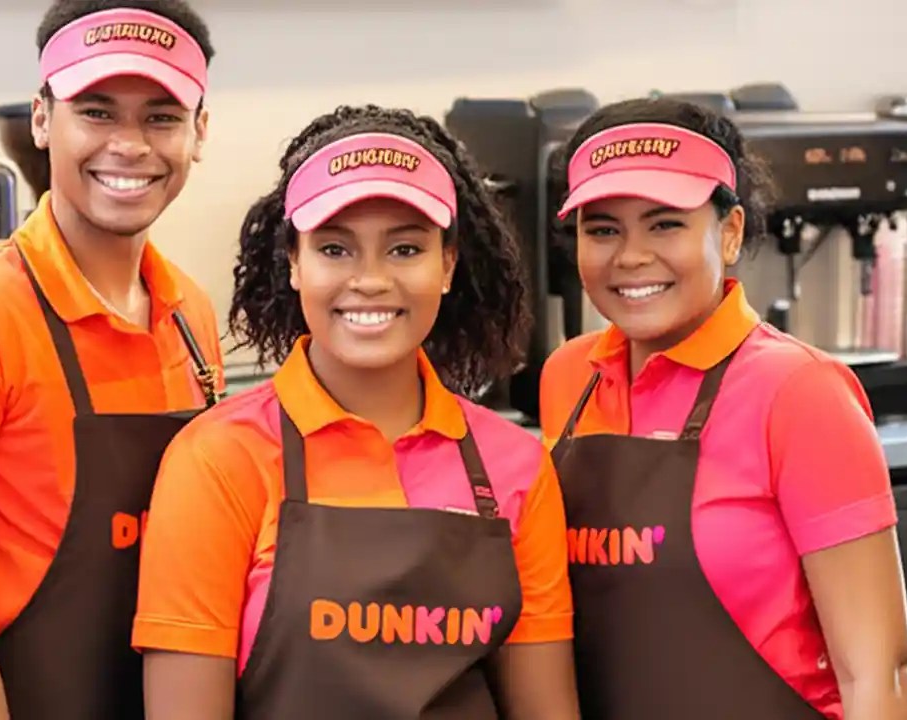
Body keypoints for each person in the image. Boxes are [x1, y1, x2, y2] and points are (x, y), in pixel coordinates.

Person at [134, 105, 580, 719]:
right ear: (293, 262)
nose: (370, 280)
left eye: (403, 248)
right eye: (336, 249)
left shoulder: (515, 466)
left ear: (448, 265)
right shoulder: (217, 460)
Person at [0, 1, 223, 718]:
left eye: (160, 116)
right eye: (95, 112)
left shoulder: (191, 314)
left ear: (199, 132)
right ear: (40, 119)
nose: (130, 145)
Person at [541, 97, 907, 720]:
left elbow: (879, 671)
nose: (631, 256)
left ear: (731, 231)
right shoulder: (567, 379)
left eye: (665, 224)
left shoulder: (800, 391)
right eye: (603, 229)